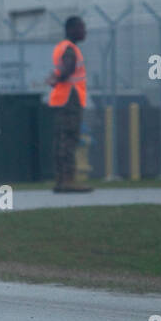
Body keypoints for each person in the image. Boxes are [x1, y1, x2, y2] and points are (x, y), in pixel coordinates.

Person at [48, 16, 92, 194]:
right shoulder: (70, 50)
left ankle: (61, 179)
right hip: (70, 101)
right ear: (72, 29)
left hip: (62, 99)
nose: (84, 31)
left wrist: (55, 78)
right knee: (69, 139)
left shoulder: (62, 48)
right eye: (82, 28)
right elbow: (67, 69)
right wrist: (58, 78)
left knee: (61, 140)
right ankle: (68, 180)